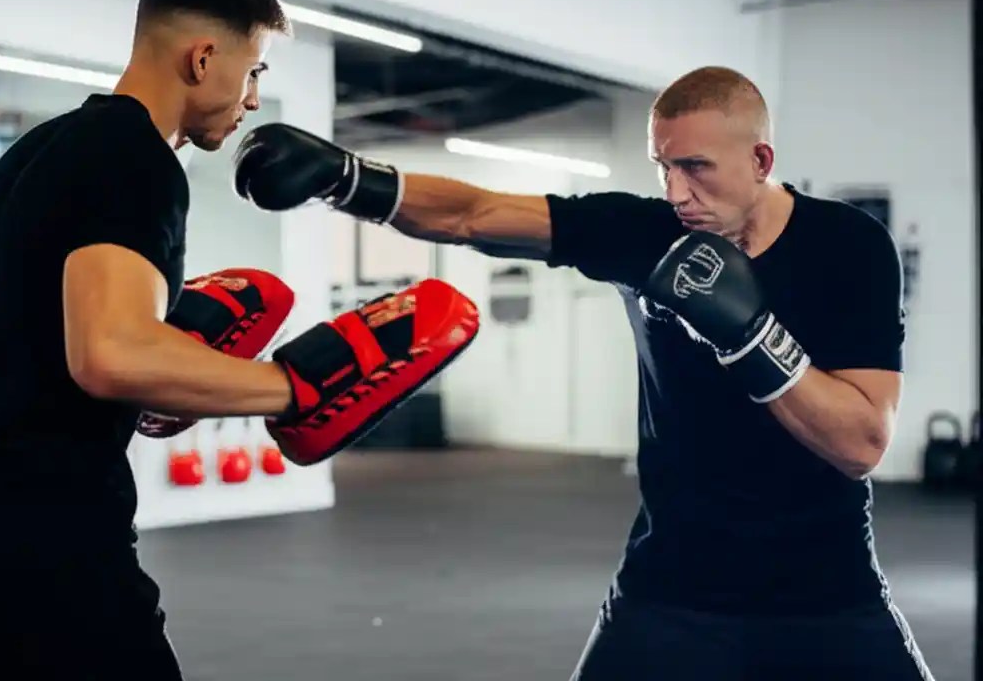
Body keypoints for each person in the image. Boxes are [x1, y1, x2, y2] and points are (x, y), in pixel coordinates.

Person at [233, 65, 935, 680]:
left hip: (825, 591)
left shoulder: (848, 248)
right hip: (672, 586)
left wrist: (749, 336)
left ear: (760, 158)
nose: (677, 190)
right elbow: (477, 214)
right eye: (662, 166)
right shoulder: (647, 232)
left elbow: (861, 444)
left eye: (695, 167)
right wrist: (349, 181)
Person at [0, 0, 478, 678]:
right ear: (205, 57)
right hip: (50, 536)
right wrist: (298, 385)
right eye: (254, 71)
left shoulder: (34, 152)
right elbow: (111, 354)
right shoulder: (135, 159)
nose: (253, 98)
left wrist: (139, 356)